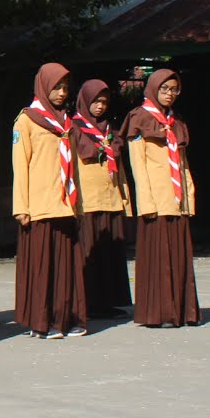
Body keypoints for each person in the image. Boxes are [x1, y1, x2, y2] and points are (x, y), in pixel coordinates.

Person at [12, 63, 88, 339]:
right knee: (43, 267)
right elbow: (20, 165)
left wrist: (78, 203)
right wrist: (21, 207)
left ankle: (66, 318)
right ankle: (41, 322)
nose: (61, 93)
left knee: (65, 266)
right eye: (56, 87)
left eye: (65, 87)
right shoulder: (27, 120)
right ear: (43, 87)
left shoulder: (67, 122)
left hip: (65, 204)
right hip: (39, 206)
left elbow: (75, 166)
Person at [123, 69, 200, 327]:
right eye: (165, 89)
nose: (169, 94)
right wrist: (146, 203)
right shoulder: (139, 118)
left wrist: (188, 195)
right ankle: (160, 312)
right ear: (154, 88)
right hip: (156, 200)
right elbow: (138, 165)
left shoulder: (175, 121)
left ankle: (182, 310)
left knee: (179, 255)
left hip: (177, 199)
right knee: (159, 258)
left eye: (174, 89)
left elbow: (183, 163)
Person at [72, 78, 132, 319]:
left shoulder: (109, 130)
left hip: (110, 197)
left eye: (104, 102)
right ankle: (87, 303)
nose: (100, 106)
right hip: (87, 200)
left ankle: (106, 302)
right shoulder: (73, 128)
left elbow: (120, 168)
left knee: (109, 254)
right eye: (95, 101)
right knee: (89, 254)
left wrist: (125, 198)